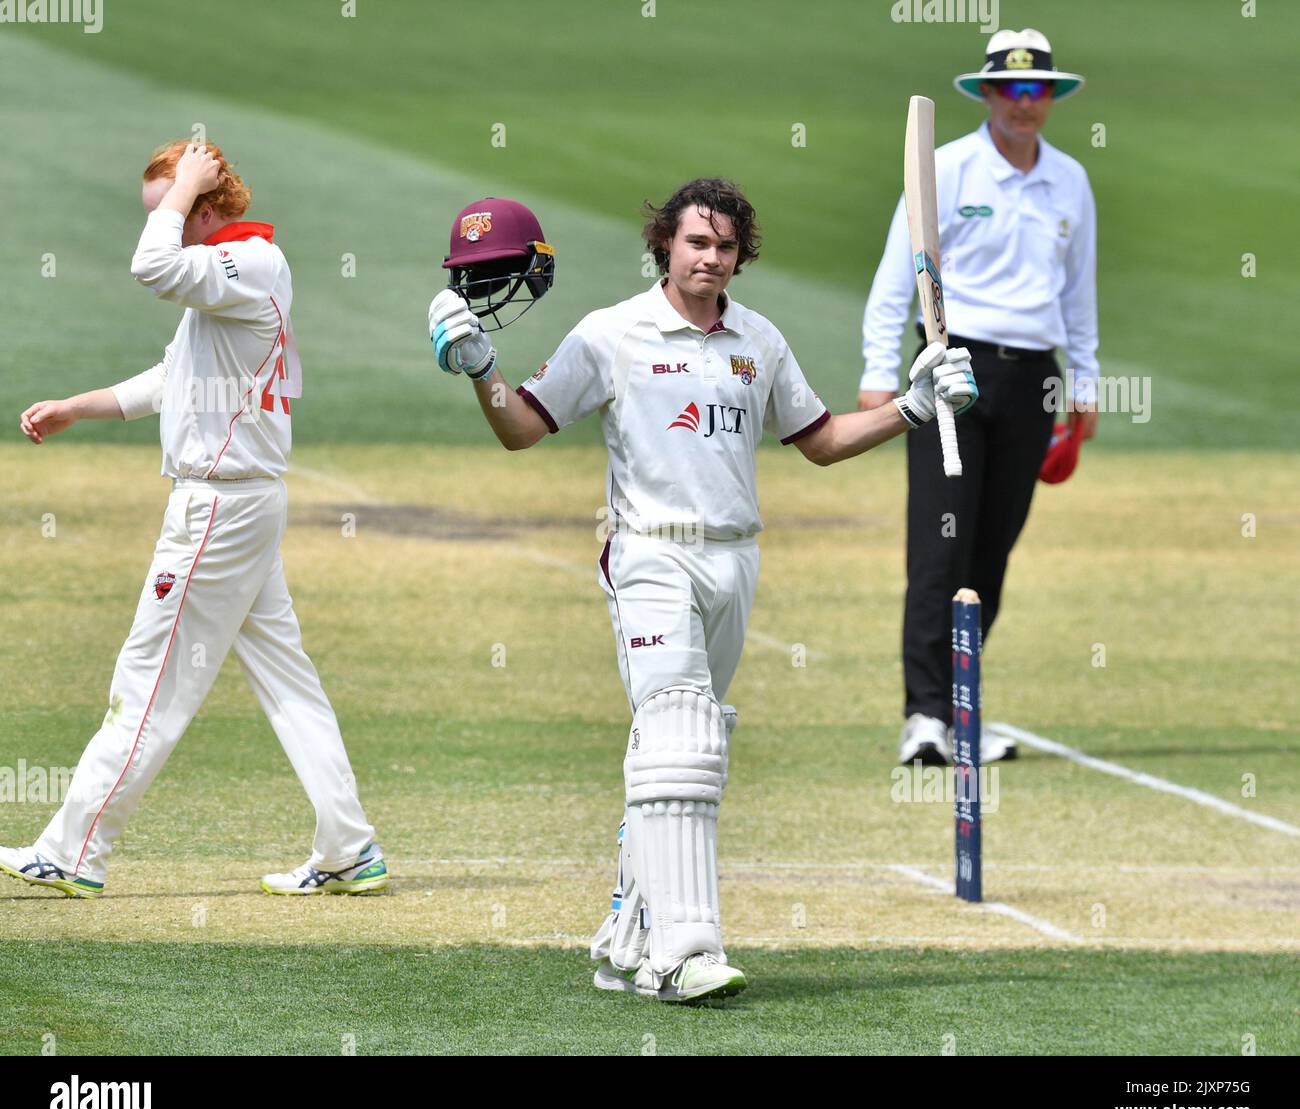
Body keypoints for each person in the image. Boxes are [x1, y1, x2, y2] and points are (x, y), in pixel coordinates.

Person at [428, 180, 977, 1003]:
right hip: (650, 554)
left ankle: (626, 933)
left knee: (677, 751)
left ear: (738, 256)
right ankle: (684, 951)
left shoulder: (758, 340)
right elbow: (520, 427)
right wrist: (482, 368)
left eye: (724, 247)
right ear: (665, 246)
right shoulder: (612, 333)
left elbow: (821, 439)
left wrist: (913, 405)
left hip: (734, 559)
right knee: (679, 735)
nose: (710, 258)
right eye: (696, 243)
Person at [1, 142, 387, 899]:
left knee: (148, 677)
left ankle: (75, 849)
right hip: (240, 505)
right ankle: (350, 847)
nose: (162, 225)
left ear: (206, 207)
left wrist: (179, 193)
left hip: (218, 509)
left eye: (173, 210)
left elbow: (152, 270)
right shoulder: (231, 272)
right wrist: (79, 407)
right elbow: (175, 375)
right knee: (288, 679)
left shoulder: (246, 264)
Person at [858, 28, 1098, 766]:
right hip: (949, 368)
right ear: (988, 94)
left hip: (1033, 375)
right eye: (1012, 90)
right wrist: (878, 372)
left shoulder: (1070, 181)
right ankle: (923, 715)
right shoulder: (946, 169)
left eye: (1038, 91)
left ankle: (961, 709)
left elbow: (1078, 291)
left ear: (1049, 99)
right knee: (941, 544)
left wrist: (1083, 383)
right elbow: (900, 276)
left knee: (992, 549)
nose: (1025, 104)